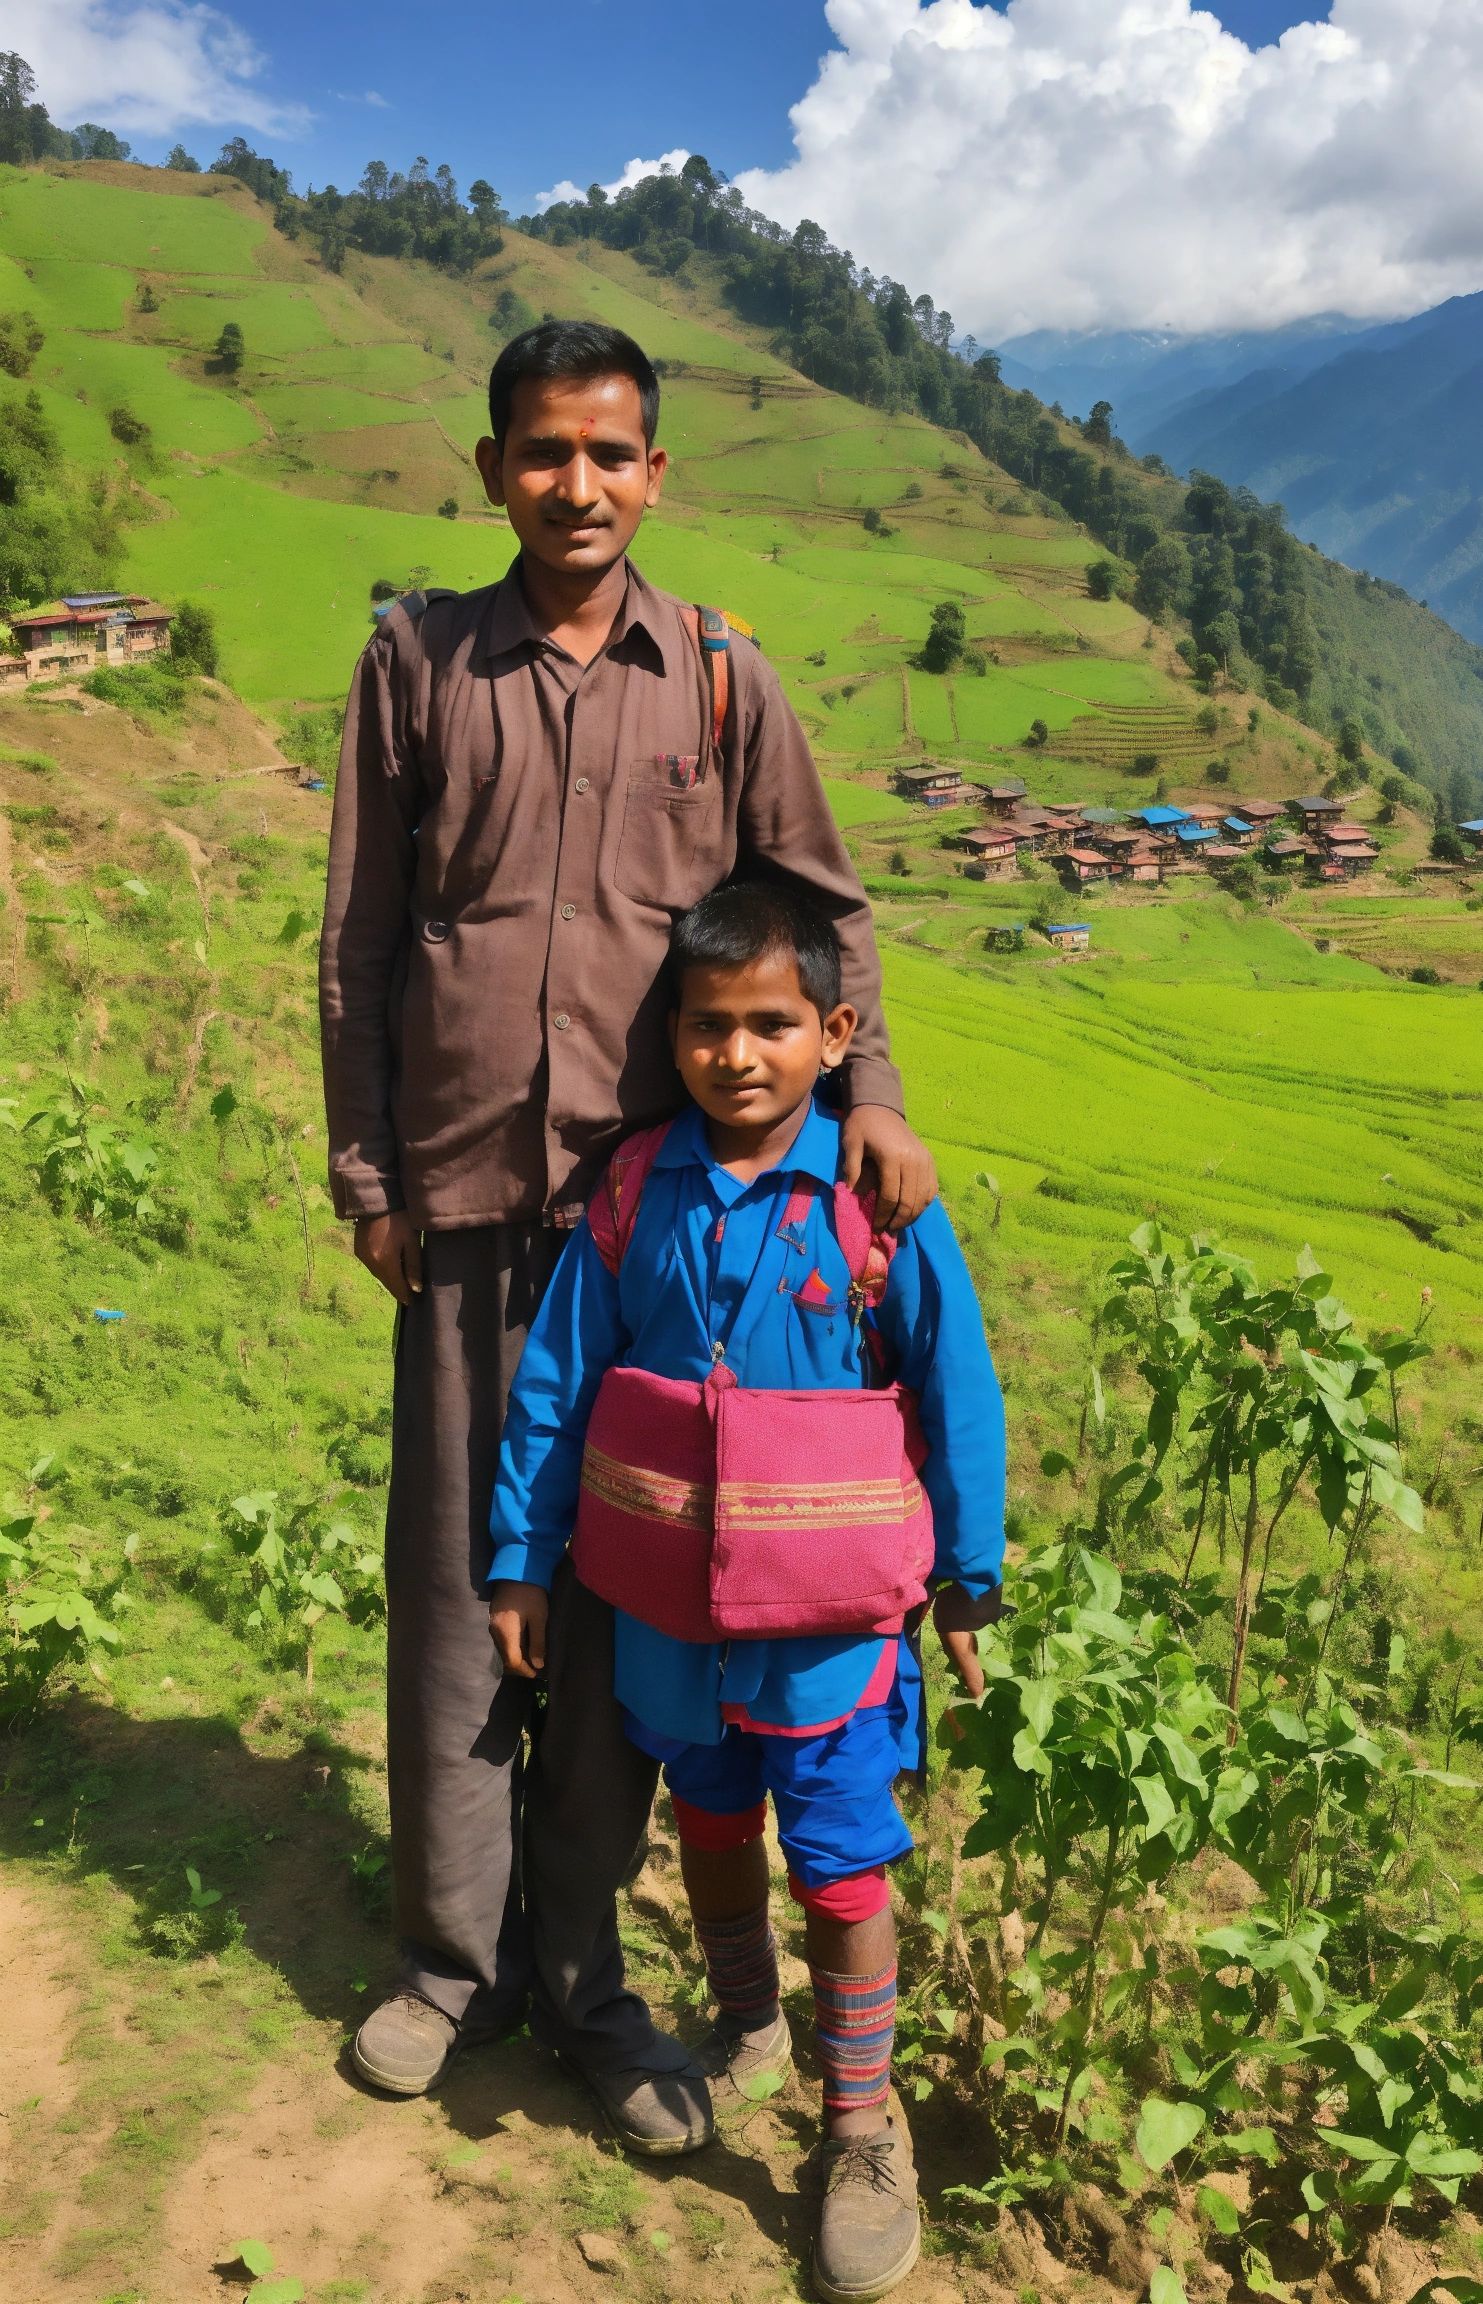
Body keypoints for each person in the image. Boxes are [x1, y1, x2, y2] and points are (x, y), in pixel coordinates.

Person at [319, 316, 939, 2141]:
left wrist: (873, 1096)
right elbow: (361, 941)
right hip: (462, 1208)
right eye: (540, 452)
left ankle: (586, 1983)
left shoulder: (723, 683)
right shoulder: (418, 666)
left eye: (608, 454)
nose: (573, 485)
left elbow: (826, 913)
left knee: (614, 1598)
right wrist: (370, 1178)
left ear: (656, 474)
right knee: (459, 1596)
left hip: (660, 1248)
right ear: (491, 467)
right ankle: (452, 1966)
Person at [487, 882, 1006, 2303]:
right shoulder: (631, 1194)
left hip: (829, 1637)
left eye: (773, 1024)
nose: (739, 1053)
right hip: (671, 1626)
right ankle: (747, 2020)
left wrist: (967, 1583)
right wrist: (524, 1561)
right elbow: (558, 1388)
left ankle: (859, 2123)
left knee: (839, 1866)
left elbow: (955, 1386)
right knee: (711, 1826)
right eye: (709, 1026)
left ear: (835, 1032)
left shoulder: (874, 1200)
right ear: (675, 1034)